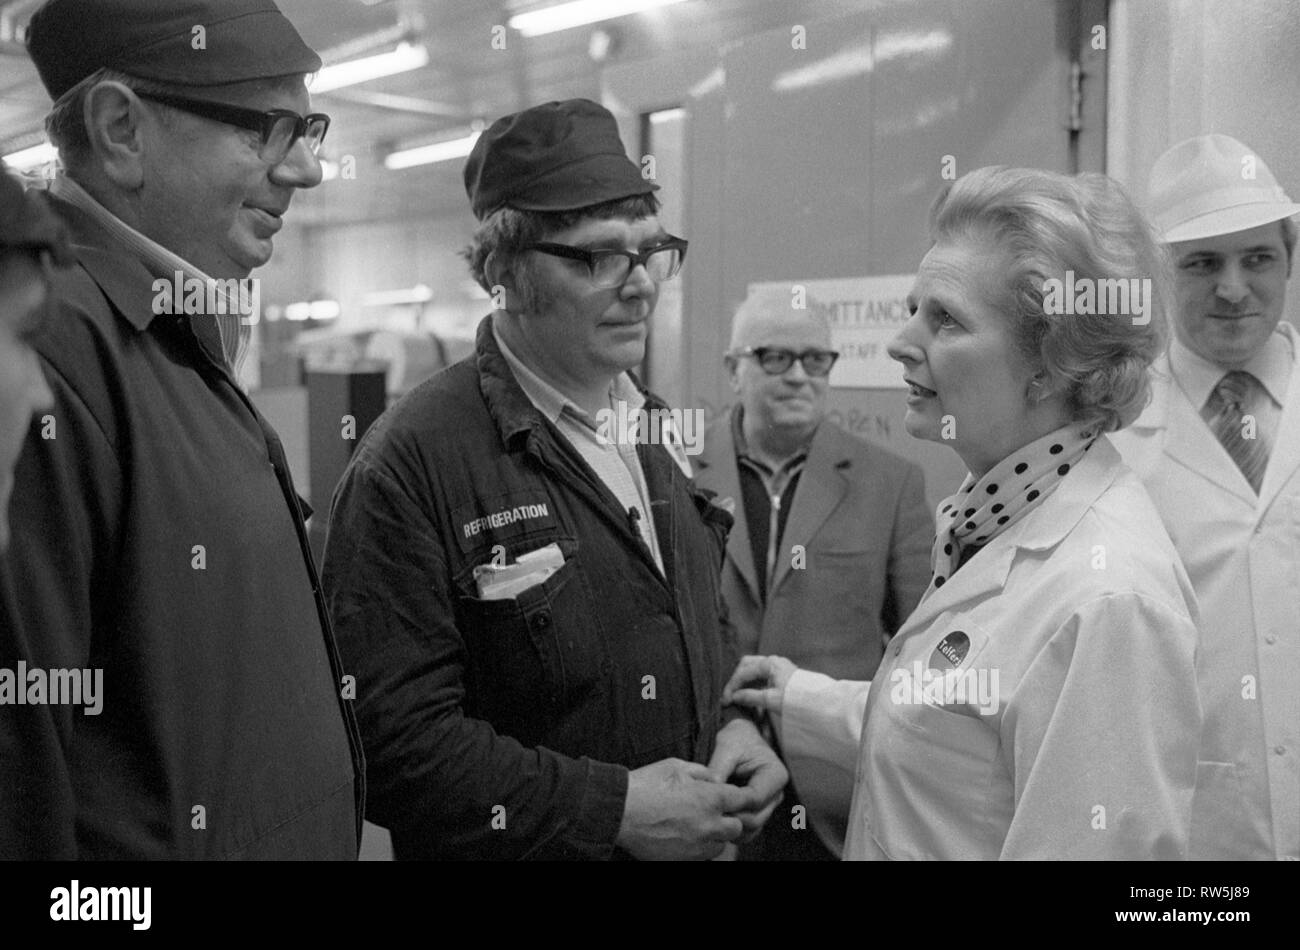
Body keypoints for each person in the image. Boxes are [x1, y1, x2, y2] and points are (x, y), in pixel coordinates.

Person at [321, 98, 786, 860]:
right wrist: (613, 811)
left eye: (649, 251)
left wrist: (738, 724)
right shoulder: (411, 465)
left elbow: (695, 618)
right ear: (504, 272)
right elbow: (389, 745)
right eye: (597, 257)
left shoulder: (652, 427)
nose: (641, 285)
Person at [725, 166, 1202, 859]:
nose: (900, 342)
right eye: (914, 309)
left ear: (1050, 363)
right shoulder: (997, 515)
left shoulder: (1107, 601)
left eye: (944, 319)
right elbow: (961, 739)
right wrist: (799, 696)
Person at [0, 0, 363, 859]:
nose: (308, 168)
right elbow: (20, 784)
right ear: (121, 129)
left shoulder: (173, 331)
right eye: (270, 126)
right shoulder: (48, 355)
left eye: (309, 126)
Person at [1110, 134, 1300, 861]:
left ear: (1289, 259)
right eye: (1202, 263)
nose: (1233, 288)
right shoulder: (1112, 433)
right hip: (1194, 827)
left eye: (1258, 258)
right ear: (1159, 273)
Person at [693, 286, 931, 858]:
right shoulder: (677, 472)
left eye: (816, 360)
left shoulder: (890, 483)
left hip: (833, 787)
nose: (799, 376)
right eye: (775, 357)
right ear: (733, 369)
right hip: (708, 772)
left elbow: (922, 647)